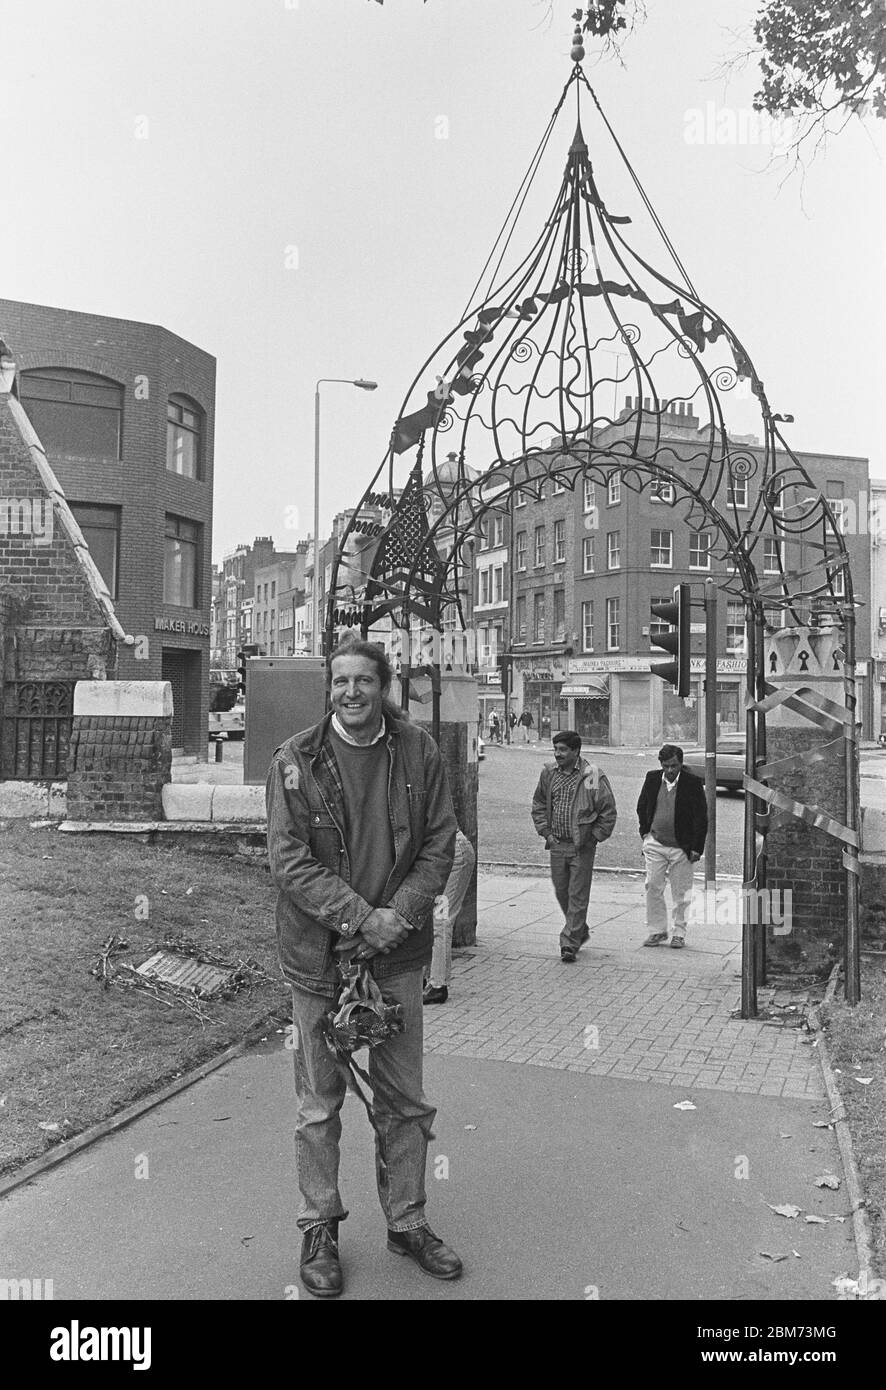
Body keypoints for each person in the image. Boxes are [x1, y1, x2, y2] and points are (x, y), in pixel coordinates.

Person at [266, 638, 461, 1298]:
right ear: (330, 689)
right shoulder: (294, 762)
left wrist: (395, 916)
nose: (352, 692)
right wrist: (360, 917)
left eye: (365, 681)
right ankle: (319, 1227)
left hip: (398, 957)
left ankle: (407, 1222)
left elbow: (441, 844)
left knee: (404, 1103)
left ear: (385, 687)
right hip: (320, 964)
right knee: (318, 1106)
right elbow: (290, 862)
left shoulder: (419, 753)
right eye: (341, 681)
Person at [531, 730, 617, 963]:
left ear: (576, 751)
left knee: (577, 895)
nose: (558, 754)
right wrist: (546, 833)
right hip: (557, 843)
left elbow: (608, 811)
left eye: (563, 750)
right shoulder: (549, 773)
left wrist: (593, 838)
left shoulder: (591, 775)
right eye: (555, 749)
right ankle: (579, 929)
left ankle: (568, 942)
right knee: (562, 891)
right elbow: (538, 803)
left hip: (582, 846)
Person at [636, 743, 708, 949]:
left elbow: (701, 817)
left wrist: (696, 847)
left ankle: (679, 932)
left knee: (681, 892)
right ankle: (657, 930)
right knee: (652, 886)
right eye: (666, 766)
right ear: (661, 764)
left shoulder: (692, 783)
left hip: (681, 847)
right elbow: (642, 806)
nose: (670, 770)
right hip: (655, 843)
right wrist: (644, 832)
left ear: (681, 764)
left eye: (674, 766)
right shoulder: (651, 778)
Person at [423, 828, 476, 1005]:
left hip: (453, 856)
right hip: (448, 853)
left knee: (441, 920)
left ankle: (438, 985)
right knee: (435, 920)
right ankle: (432, 980)